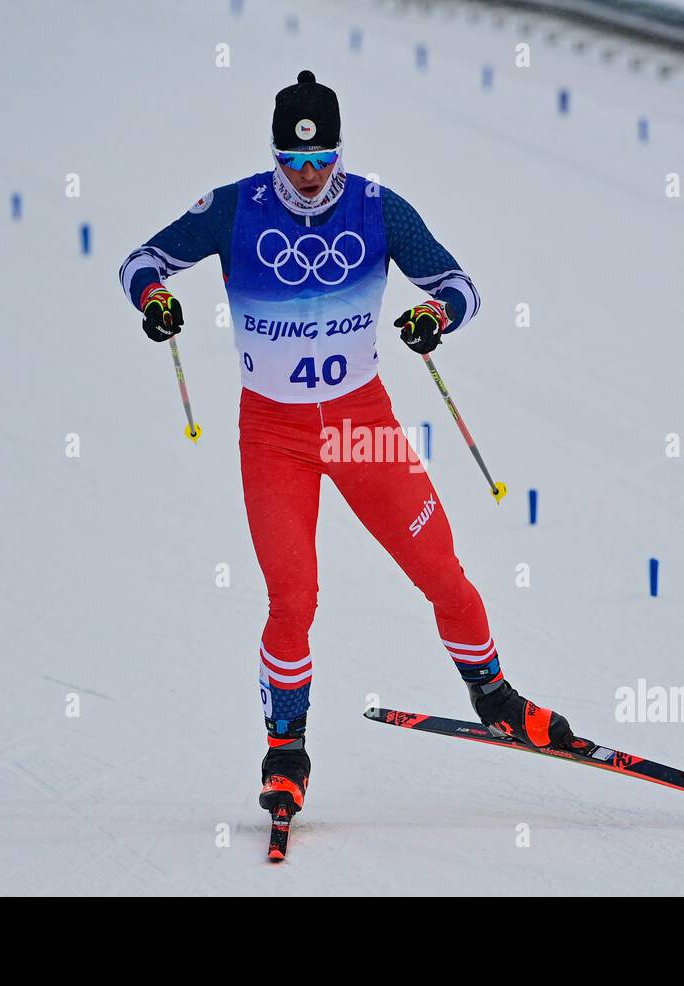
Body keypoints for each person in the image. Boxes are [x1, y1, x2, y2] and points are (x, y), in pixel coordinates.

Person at [119, 70, 575, 824]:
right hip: (274, 436)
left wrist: (437, 316)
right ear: (273, 155)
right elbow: (141, 261)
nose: (306, 177)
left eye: (320, 159)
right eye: (291, 162)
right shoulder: (234, 207)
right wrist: (156, 301)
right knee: (293, 595)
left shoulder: (376, 208)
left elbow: (459, 282)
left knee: (444, 573)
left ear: (339, 150)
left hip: (360, 425)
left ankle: (494, 696)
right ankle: (286, 753)